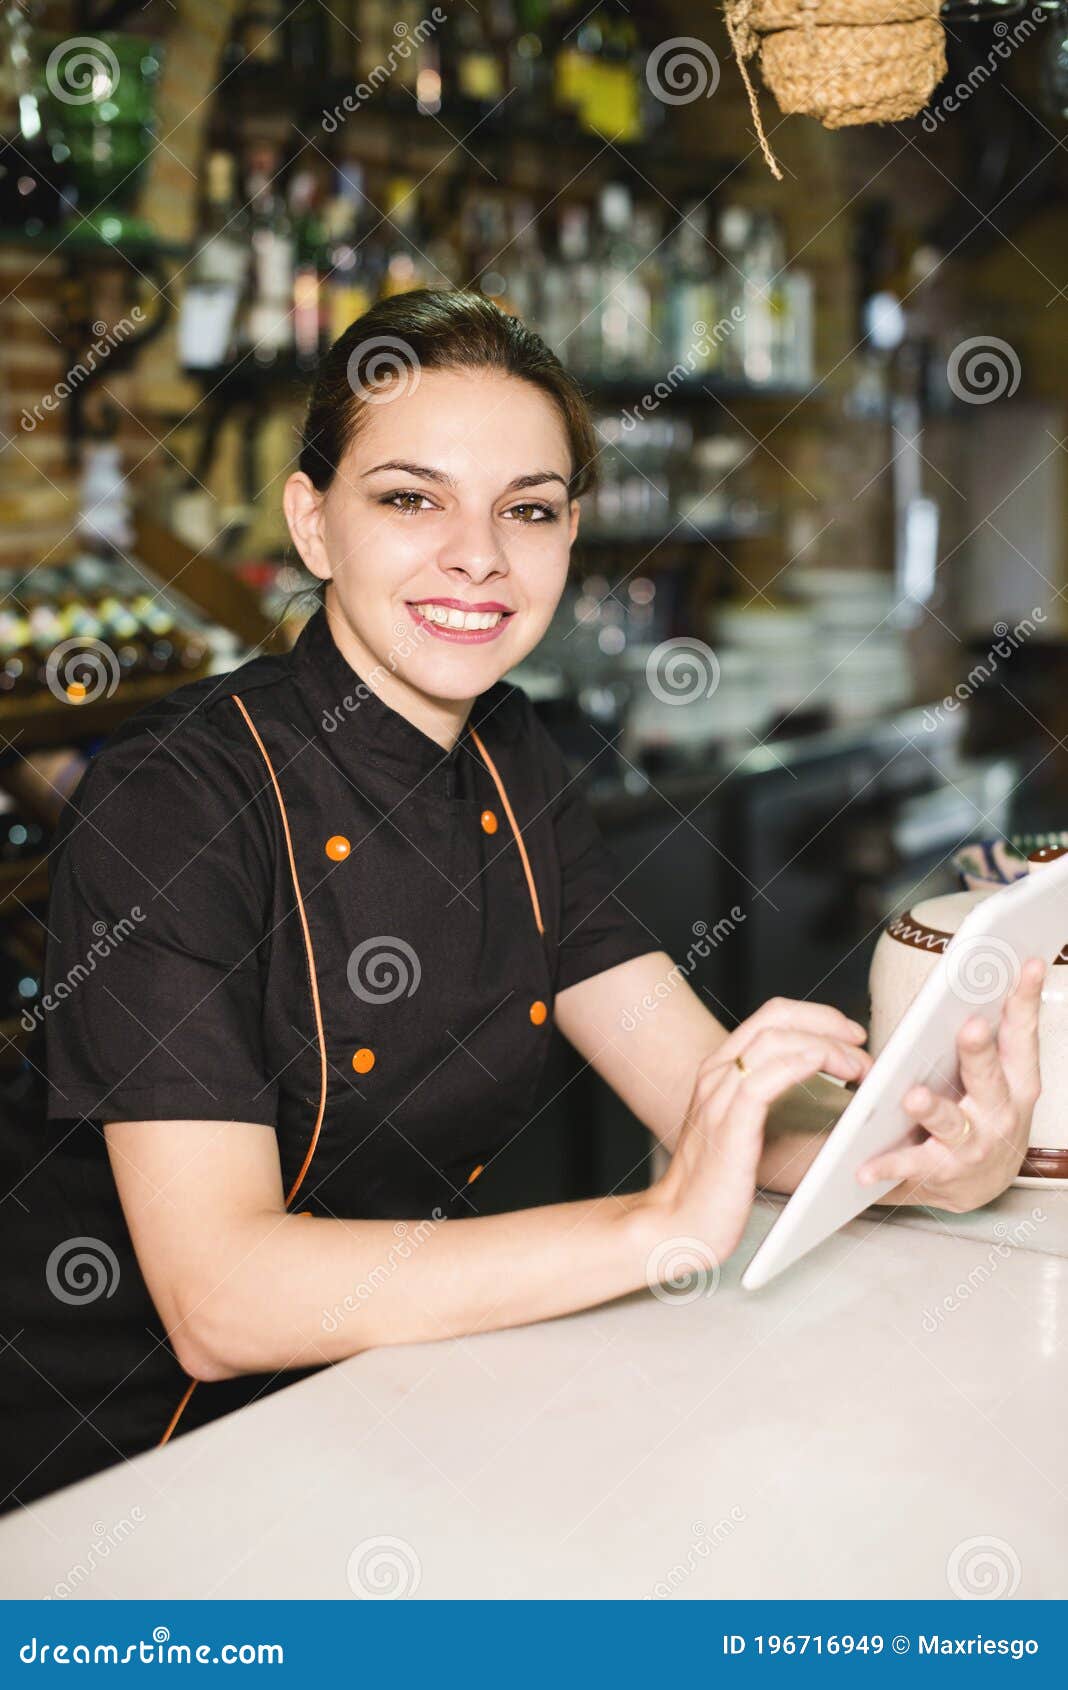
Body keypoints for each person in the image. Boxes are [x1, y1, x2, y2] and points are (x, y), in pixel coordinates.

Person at [0, 288, 1044, 1514]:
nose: (479, 555)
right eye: (410, 498)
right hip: (109, 1478)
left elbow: (708, 1096)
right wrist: (649, 1226)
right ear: (313, 522)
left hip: (364, 1408)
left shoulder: (516, 757)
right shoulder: (175, 798)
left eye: (528, 510)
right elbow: (220, 1301)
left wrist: (931, 1146)